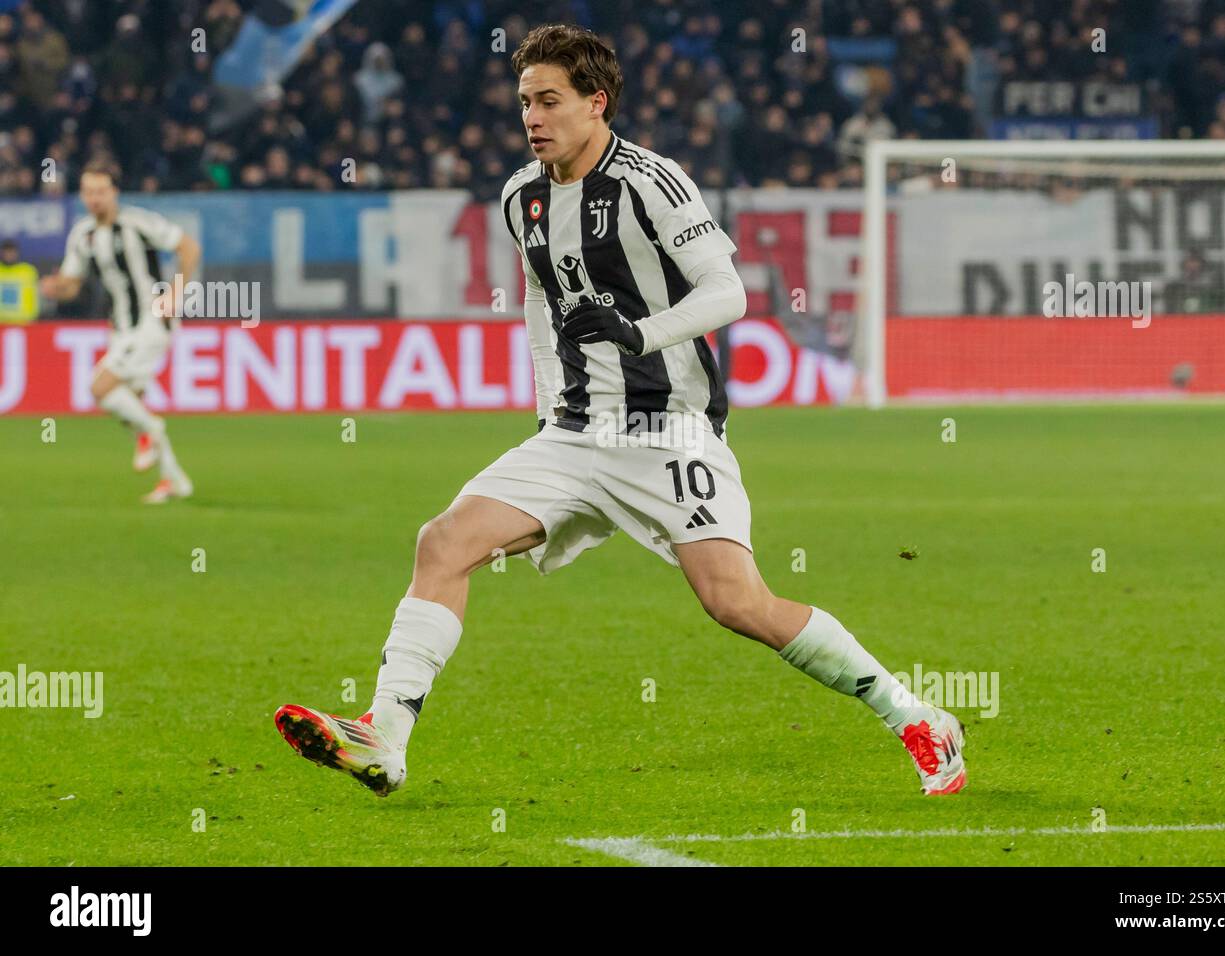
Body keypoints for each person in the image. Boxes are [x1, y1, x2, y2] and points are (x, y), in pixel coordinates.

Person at [274, 24, 967, 798]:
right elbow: (541, 301)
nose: (532, 118)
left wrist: (640, 332)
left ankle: (915, 716)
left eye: (549, 101)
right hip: (574, 432)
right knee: (443, 542)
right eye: (524, 103)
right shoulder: (521, 197)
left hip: (669, 431)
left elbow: (727, 292)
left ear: (595, 103)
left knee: (737, 603)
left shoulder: (653, 182)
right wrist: (548, 412)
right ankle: (384, 738)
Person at [39, 160, 200, 503]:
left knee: (101, 388)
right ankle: (174, 481)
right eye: (88, 192)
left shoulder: (139, 222)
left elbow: (189, 248)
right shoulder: (83, 235)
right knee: (129, 404)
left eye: (101, 191)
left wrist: (175, 294)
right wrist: (56, 287)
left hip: (152, 320)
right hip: (121, 327)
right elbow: (73, 284)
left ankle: (153, 431)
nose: (94, 199)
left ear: (114, 193)